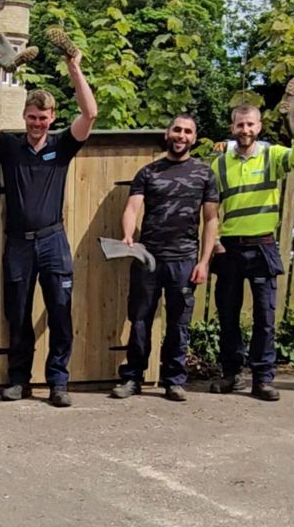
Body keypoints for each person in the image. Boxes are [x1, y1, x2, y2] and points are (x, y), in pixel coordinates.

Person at [0, 42, 98, 407]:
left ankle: (58, 382)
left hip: (53, 241)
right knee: (18, 314)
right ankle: (18, 381)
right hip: (18, 244)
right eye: (31, 117)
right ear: (24, 117)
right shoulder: (10, 148)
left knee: (60, 311)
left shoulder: (63, 146)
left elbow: (90, 115)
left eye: (43, 118)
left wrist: (75, 68)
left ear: (52, 118)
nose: (37, 124)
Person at [111, 115, 219, 402]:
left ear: (194, 138)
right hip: (149, 258)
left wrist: (204, 261)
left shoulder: (205, 174)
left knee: (178, 323)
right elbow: (132, 208)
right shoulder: (148, 173)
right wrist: (128, 235)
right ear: (168, 133)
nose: (181, 135)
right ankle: (133, 377)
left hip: (184, 260)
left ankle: (174, 381)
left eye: (187, 131)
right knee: (140, 320)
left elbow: (210, 219)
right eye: (177, 130)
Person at [209, 104, 294, 401]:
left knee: (264, 317)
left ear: (259, 127)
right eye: (240, 125)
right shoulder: (219, 164)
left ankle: (263, 379)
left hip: (263, 244)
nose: (245, 131)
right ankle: (231, 374)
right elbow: (211, 209)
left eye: (251, 125)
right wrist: (214, 241)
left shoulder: (272, 154)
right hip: (229, 246)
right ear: (232, 128)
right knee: (227, 315)